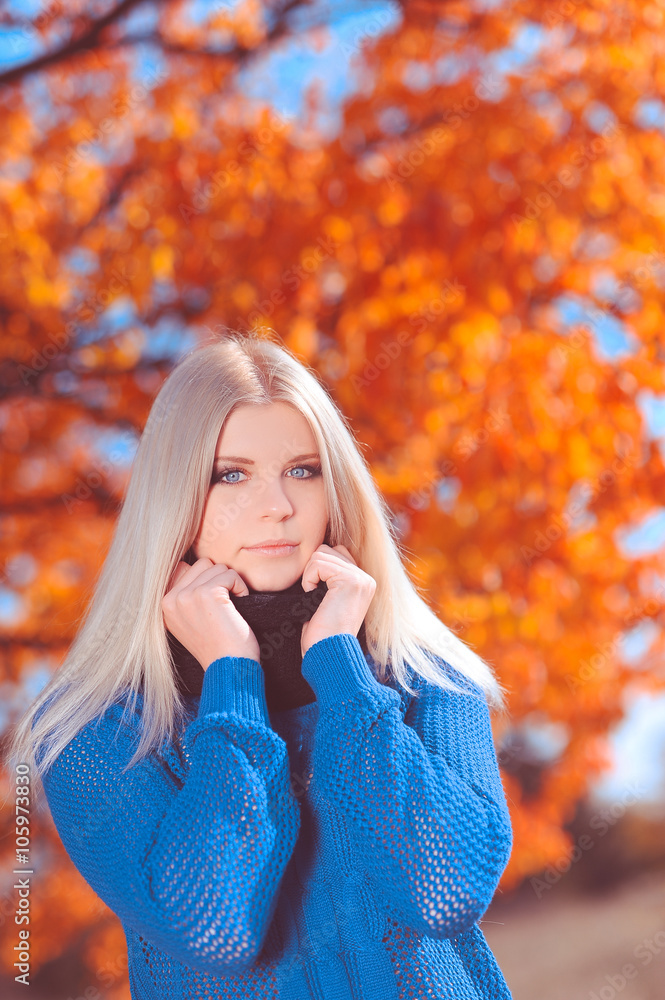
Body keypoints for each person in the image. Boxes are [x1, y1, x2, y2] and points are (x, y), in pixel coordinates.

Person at [6, 330, 515, 999]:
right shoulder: (90, 732)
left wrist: (340, 670)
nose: (277, 504)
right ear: (175, 501)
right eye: (231, 474)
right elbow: (216, 930)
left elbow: (444, 894)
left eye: (303, 470)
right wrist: (233, 683)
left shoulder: (427, 679)